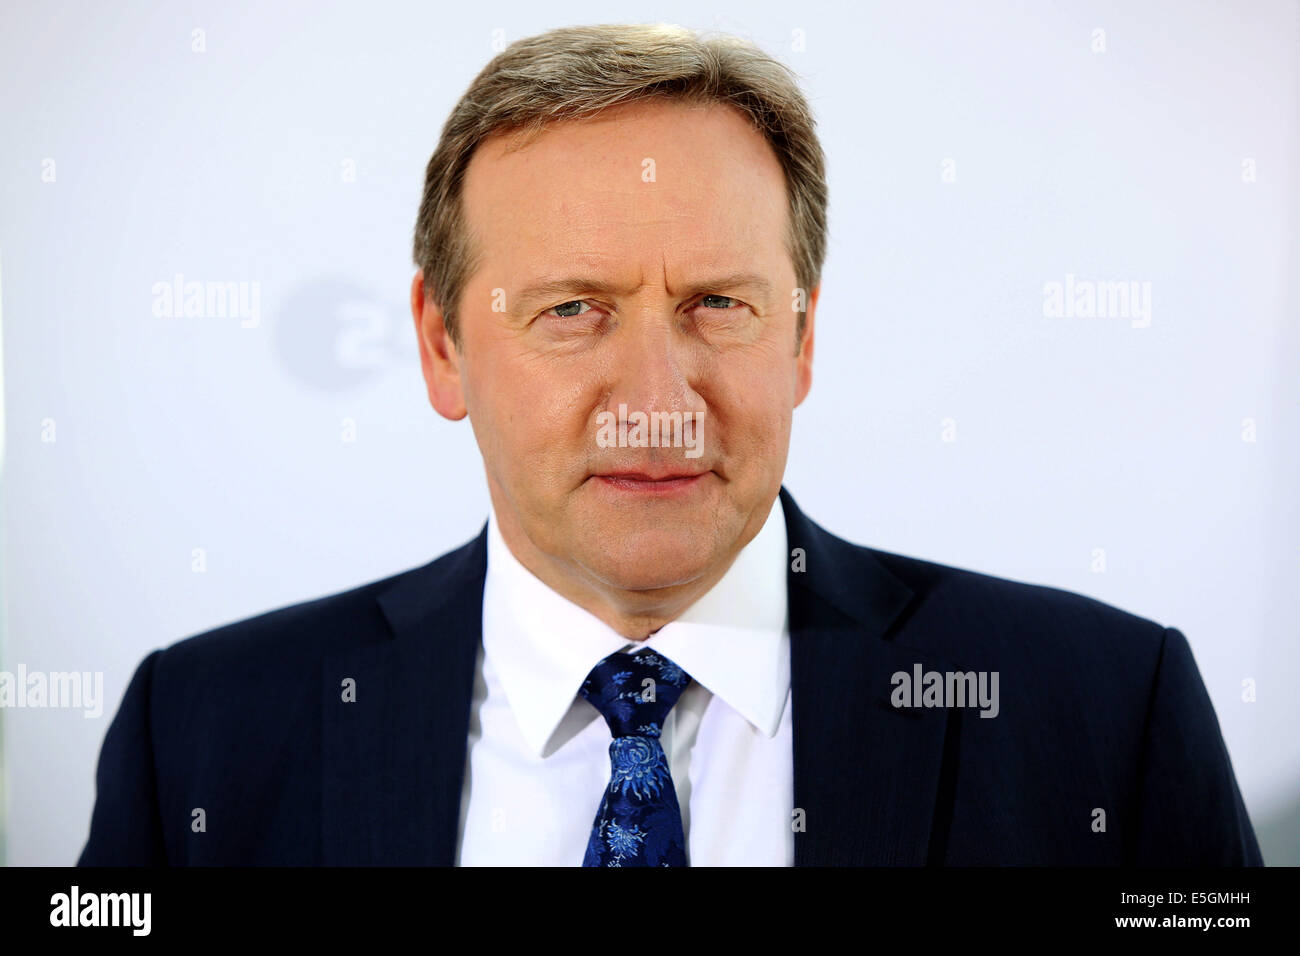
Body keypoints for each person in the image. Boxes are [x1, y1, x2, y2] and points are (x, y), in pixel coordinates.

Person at [78, 23, 1262, 867]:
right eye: (571, 310)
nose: (656, 398)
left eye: (716, 305)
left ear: (799, 341)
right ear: (442, 346)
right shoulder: (199, 734)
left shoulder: (1107, 715)